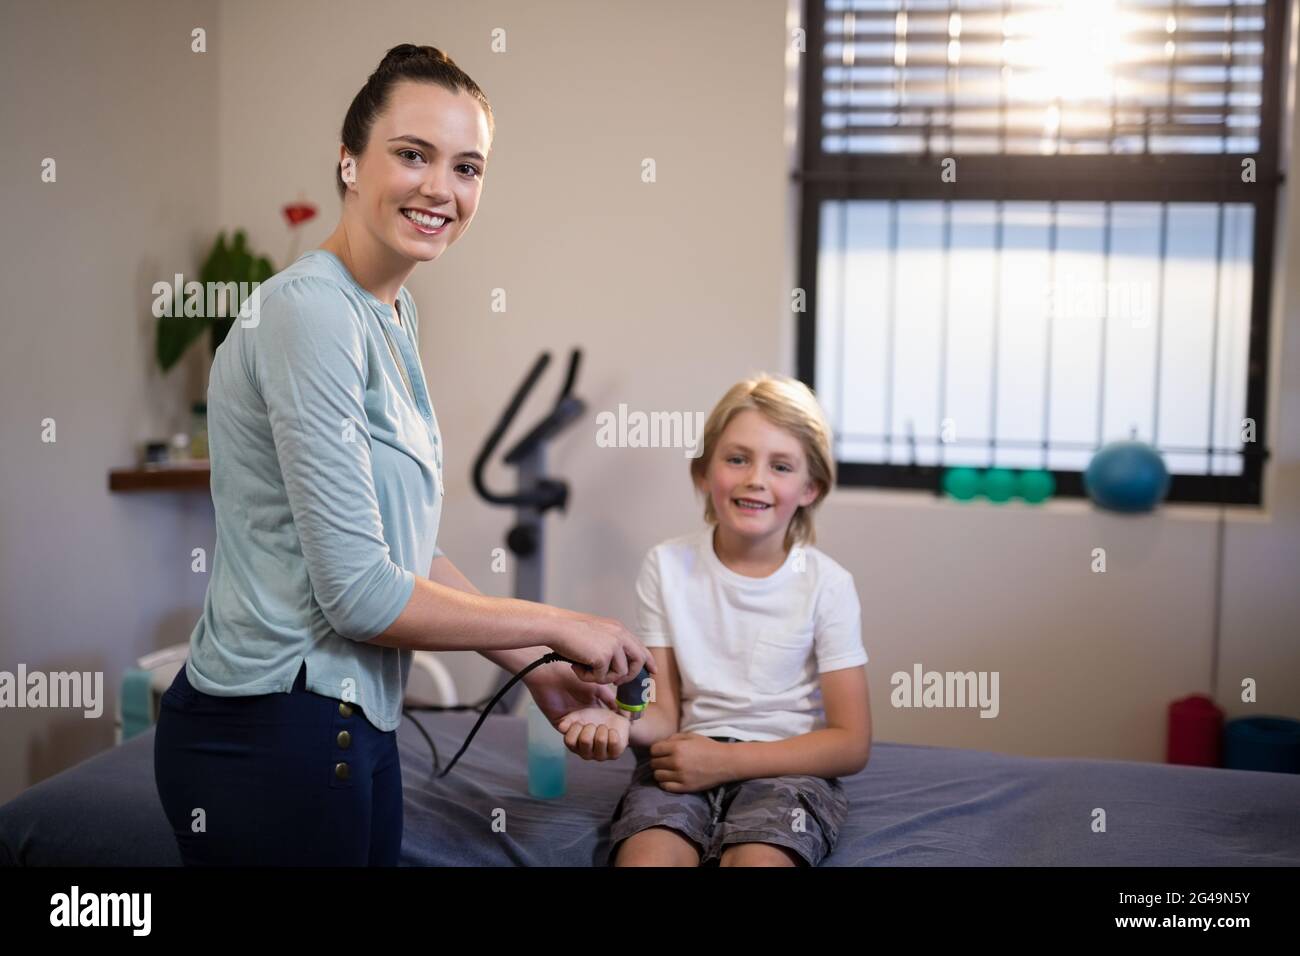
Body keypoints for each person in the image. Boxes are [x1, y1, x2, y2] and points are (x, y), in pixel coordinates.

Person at [153, 44, 653, 867]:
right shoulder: (309, 315)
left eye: (467, 167)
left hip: (353, 724)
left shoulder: (390, 314)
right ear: (348, 160)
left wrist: (538, 666)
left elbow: (404, 554)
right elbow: (359, 596)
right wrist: (565, 624)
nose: (440, 189)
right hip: (272, 729)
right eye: (412, 154)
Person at [558, 374, 871, 866]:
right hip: (683, 757)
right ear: (704, 474)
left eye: (781, 465)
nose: (756, 479)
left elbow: (851, 743)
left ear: (810, 487)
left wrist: (726, 761)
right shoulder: (667, 565)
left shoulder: (827, 585)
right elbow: (661, 715)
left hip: (784, 769)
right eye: (737, 458)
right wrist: (620, 723)